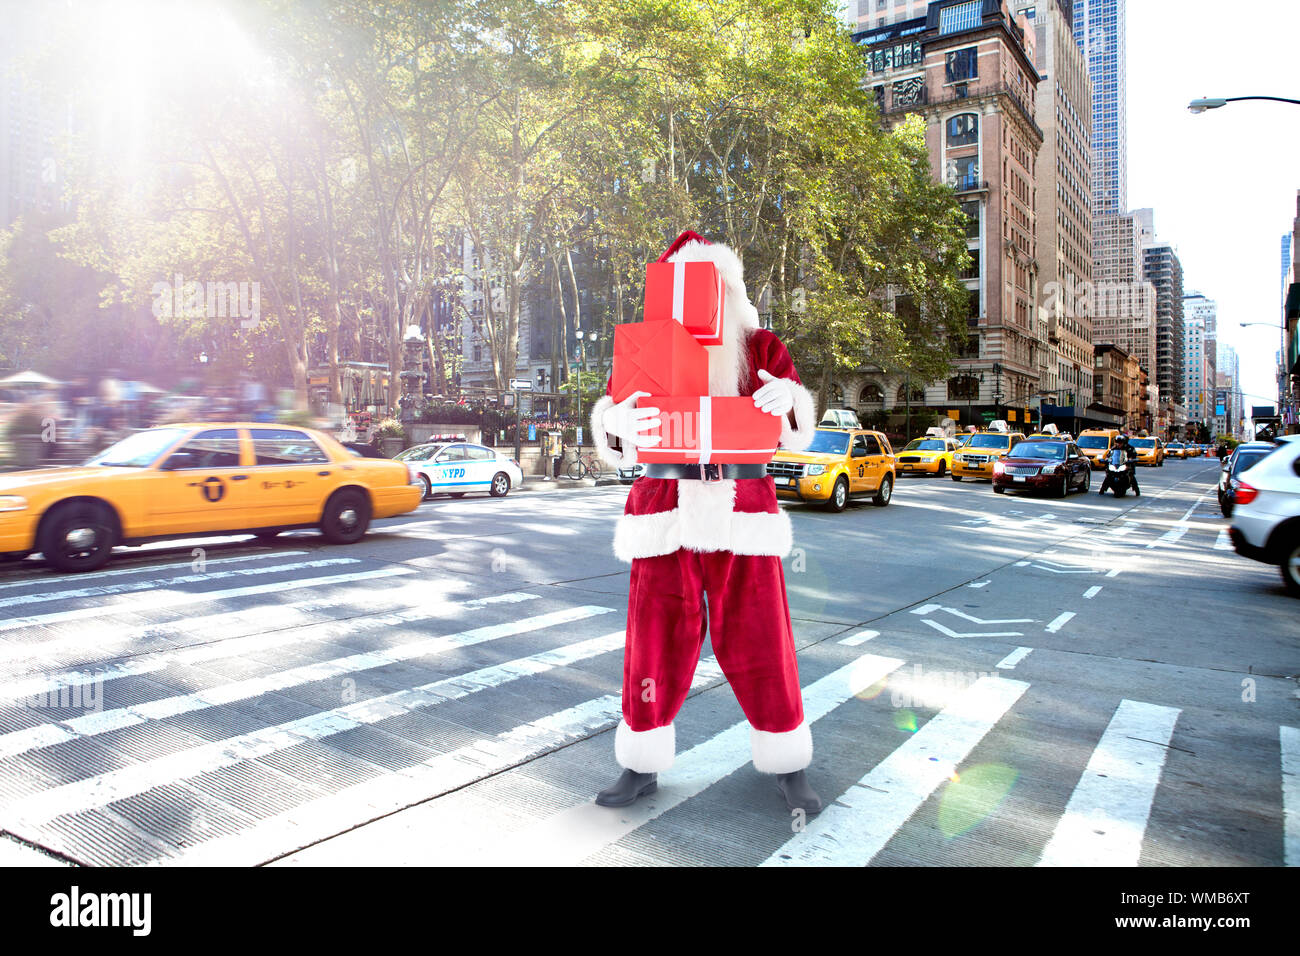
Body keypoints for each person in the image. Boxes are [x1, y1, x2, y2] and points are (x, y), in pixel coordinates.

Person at [590, 231, 821, 814]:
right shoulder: (647, 348)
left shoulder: (762, 347)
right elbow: (615, 434)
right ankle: (639, 763)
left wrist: (788, 401)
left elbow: (796, 431)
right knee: (652, 648)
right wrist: (620, 425)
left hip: (743, 515)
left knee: (763, 641)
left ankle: (787, 763)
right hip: (663, 514)